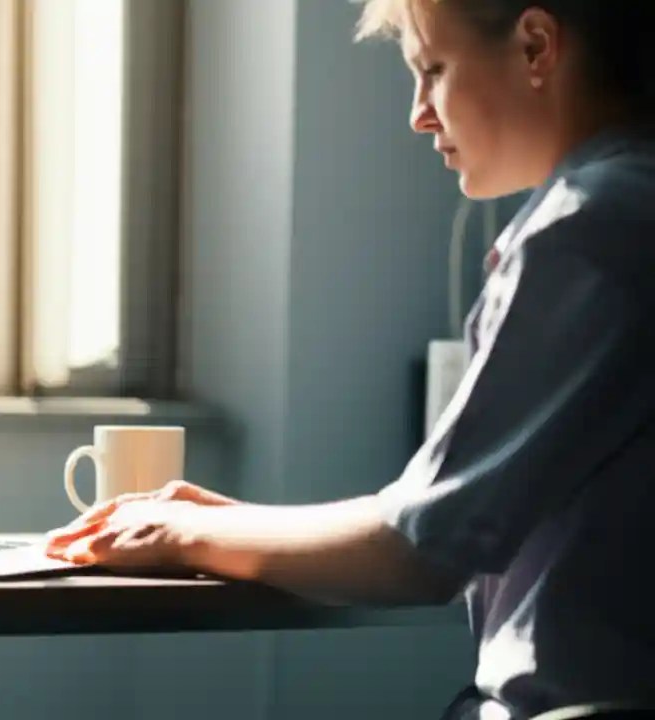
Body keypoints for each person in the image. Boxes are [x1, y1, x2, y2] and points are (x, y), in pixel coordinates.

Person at [44, 1, 655, 718]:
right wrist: (230, 526)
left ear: (535, 46)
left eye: (433, 70)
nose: (419, 115)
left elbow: (420, 550)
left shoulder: (587, 230)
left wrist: (181, 532)